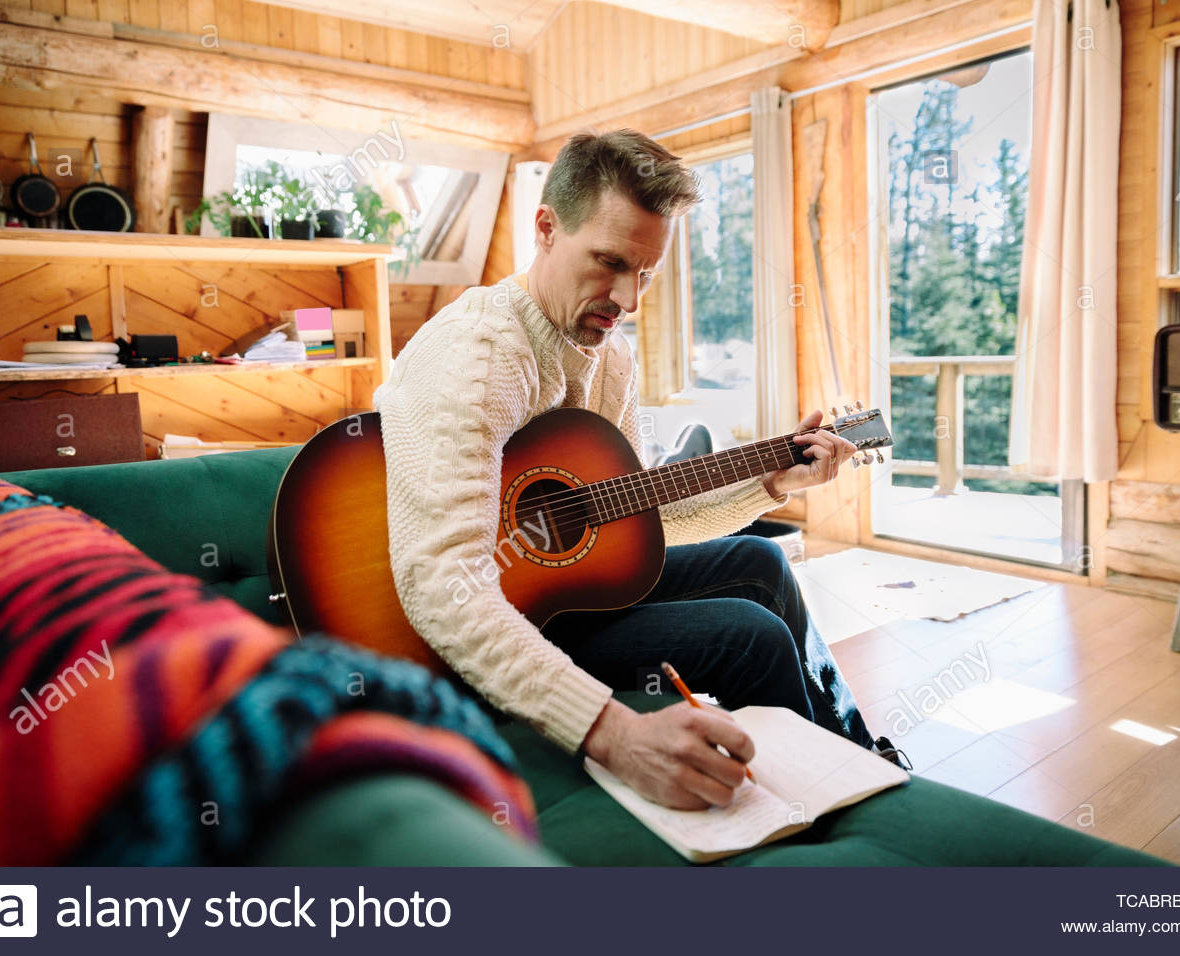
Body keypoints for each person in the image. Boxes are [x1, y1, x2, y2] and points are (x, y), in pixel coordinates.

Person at [374, 129, 902, 813]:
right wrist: (615, 734)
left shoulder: (609, 355)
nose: (629, 298)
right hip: (454, 630)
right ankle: (818, 815)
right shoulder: (480, 359)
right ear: (545, 228)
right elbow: (444, 585)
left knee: (763, 564)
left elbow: (634, 518)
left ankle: (860, 771)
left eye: (647, 272)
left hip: (556, 593)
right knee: (749, 632)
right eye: (610, 262)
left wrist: (772, 484)